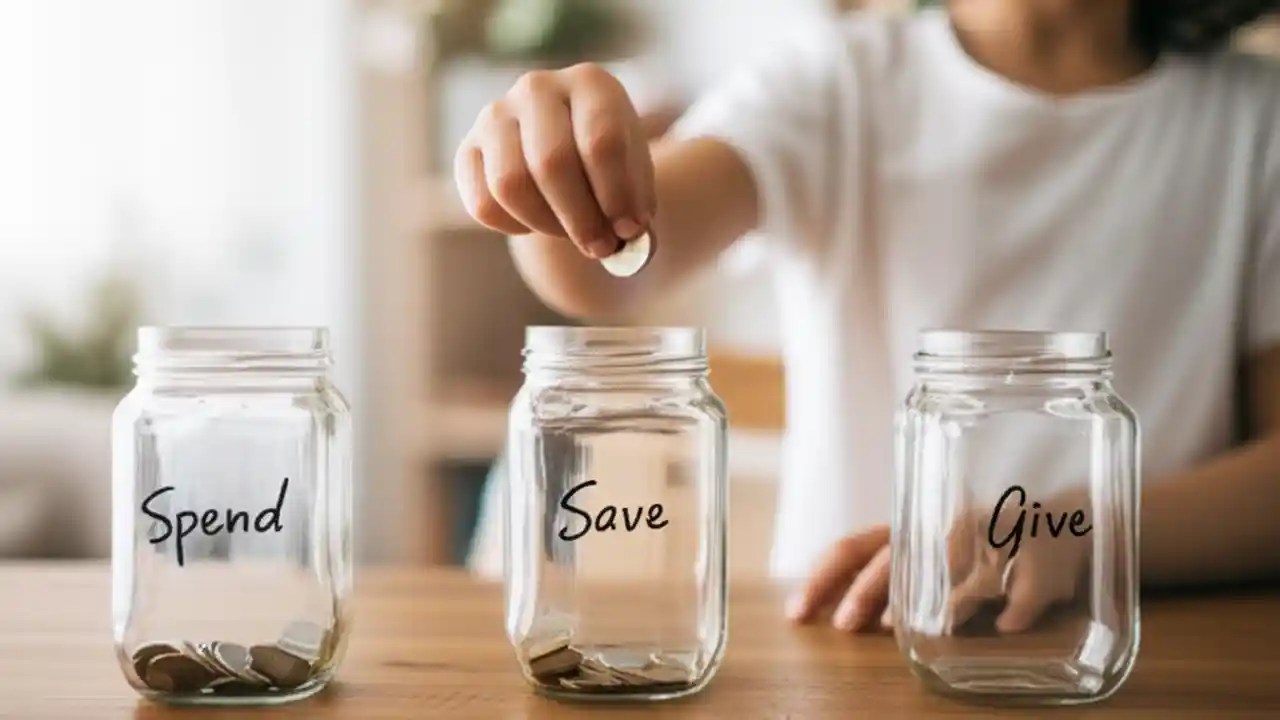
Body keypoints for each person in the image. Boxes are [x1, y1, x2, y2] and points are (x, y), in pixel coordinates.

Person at [455, 0, 1280, 634]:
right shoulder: (837, 81)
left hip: (1156, 652)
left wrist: (1077, 533)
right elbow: (612, 267)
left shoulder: (1256, 121)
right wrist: (554, 169)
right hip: (849, 645)